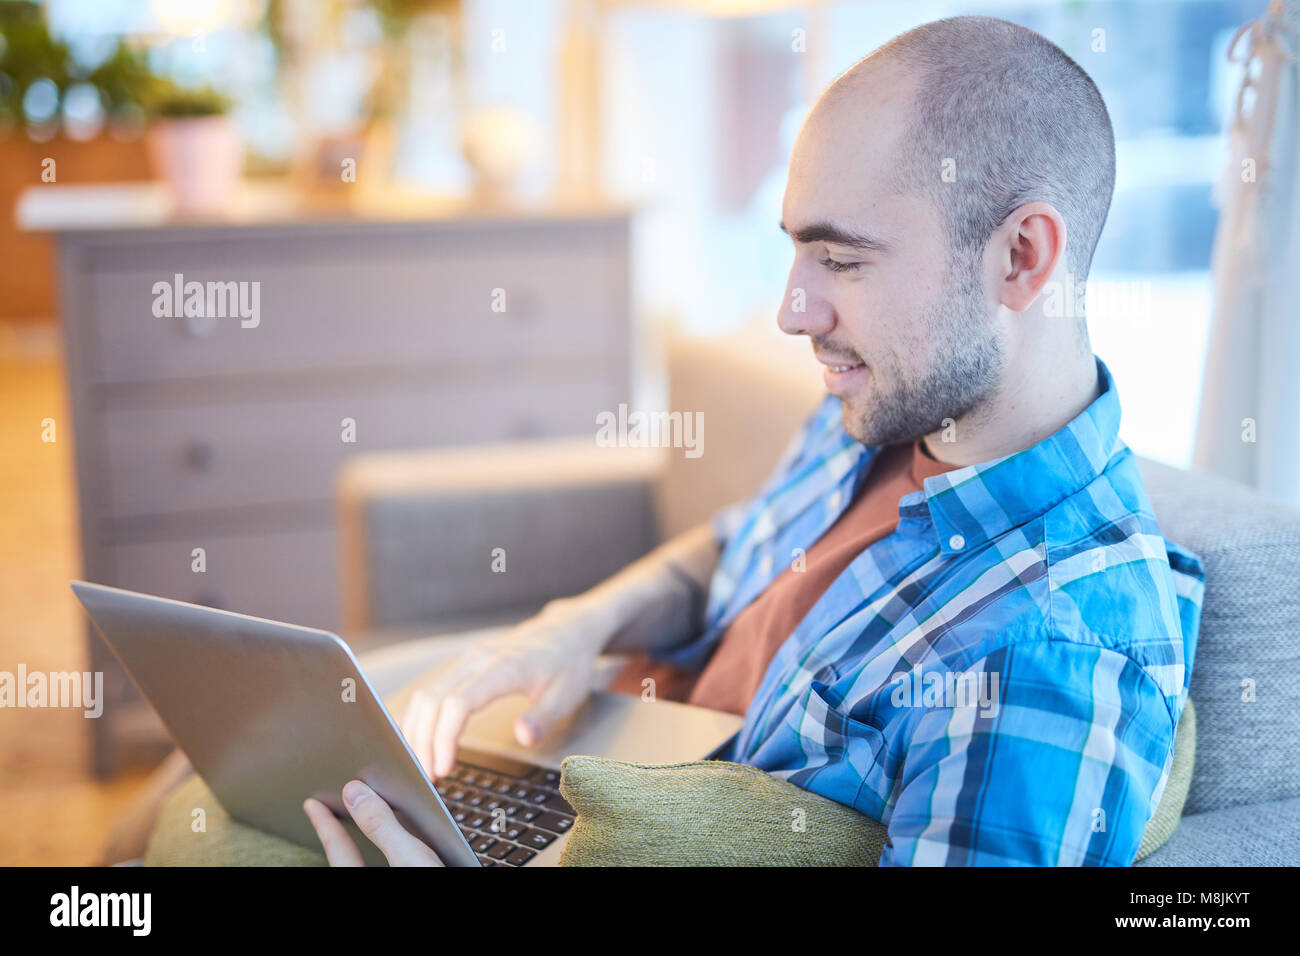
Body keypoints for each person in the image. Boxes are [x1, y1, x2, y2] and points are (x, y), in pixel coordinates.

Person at [307, 15, 1203, 867]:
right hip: (597, 743)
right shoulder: (888, 406)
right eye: (796, 251)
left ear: (1020, 259)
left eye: (841, 259)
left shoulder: (1049, 656)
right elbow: (735, 550)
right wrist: (571, 629)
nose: (791, 312)